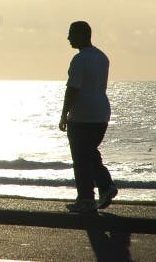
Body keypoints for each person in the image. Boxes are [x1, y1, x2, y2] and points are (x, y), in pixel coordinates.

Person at [59, 21, 118, 213]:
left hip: (82, 114)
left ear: (82, 35)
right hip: (101, 112)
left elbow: (73, 88)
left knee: (81, 157)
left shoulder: (79, 59)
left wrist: (63, 114)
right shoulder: (102, 57)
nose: (68, 37)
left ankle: (86, 198)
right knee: (90, 152)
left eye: (71, 34)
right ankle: (105, 185)